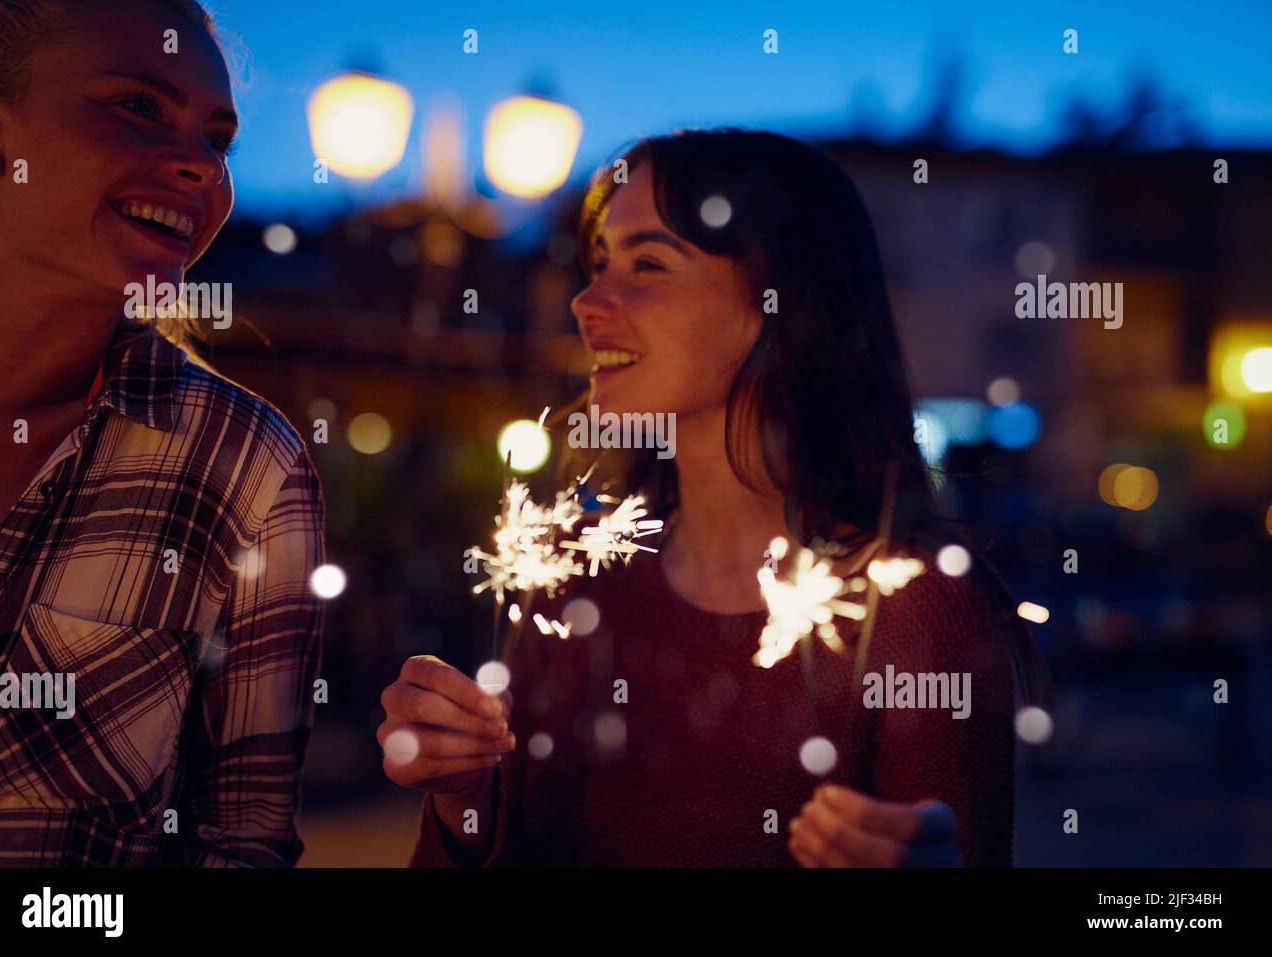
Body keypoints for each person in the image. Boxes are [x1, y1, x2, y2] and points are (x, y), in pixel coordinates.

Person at [379, 129, 1045, 867]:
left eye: (647, 264)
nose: (587, 301)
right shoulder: (571, 585)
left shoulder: (916, 615)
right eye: (599, 263)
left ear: (778, 300)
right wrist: (465, 801)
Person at [0, 0, 323, 866]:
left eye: (219, 140)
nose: (203, 166)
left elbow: (242, 844)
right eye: (138, 106)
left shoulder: (244, 468)